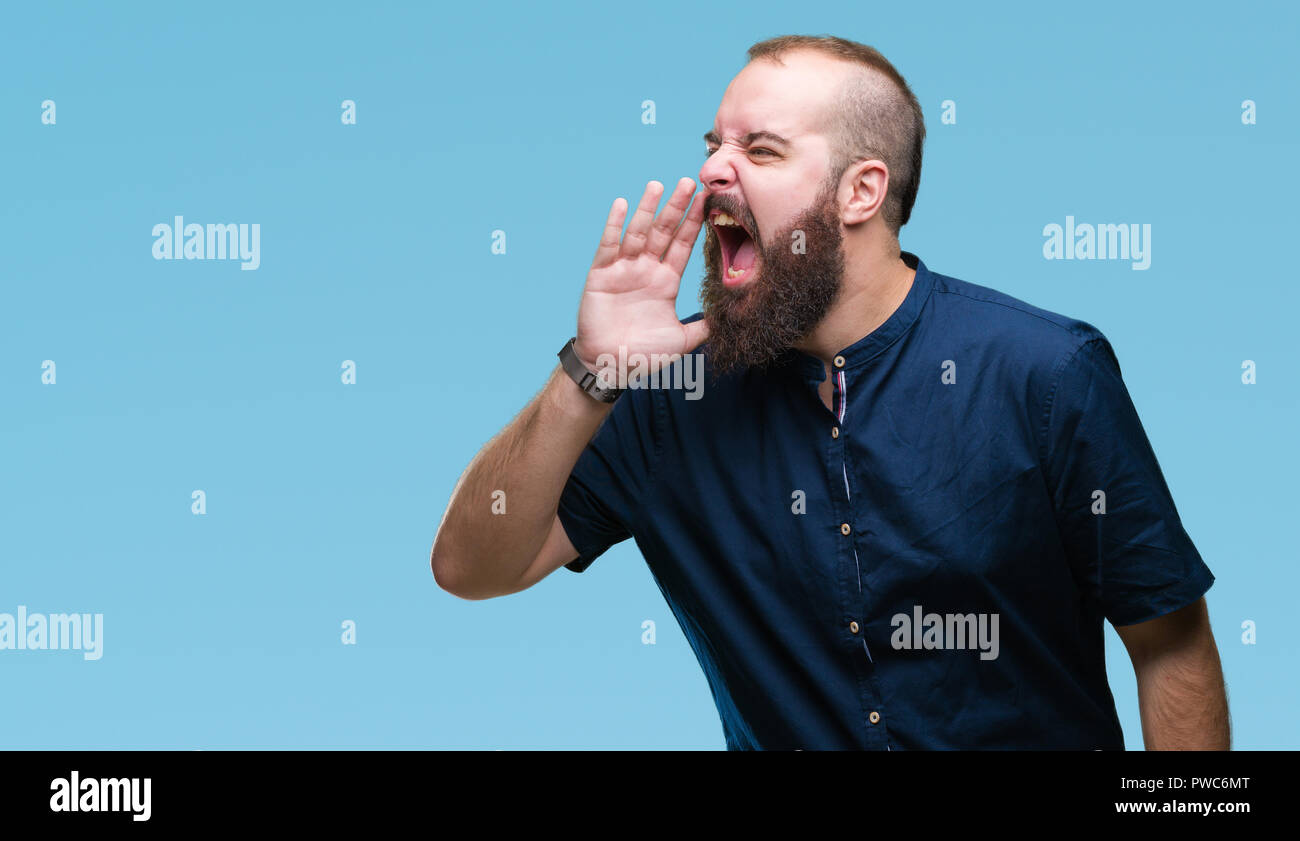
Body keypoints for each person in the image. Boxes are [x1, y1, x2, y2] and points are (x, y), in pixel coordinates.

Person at [430, 34, 1229, 750]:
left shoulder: (1046, 374)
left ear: (861, 192)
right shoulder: (662, 393)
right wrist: (589, 374)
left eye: (762, 150)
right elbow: (471, 568)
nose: (712, 170)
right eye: (714, 144)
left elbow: (1170, 644)